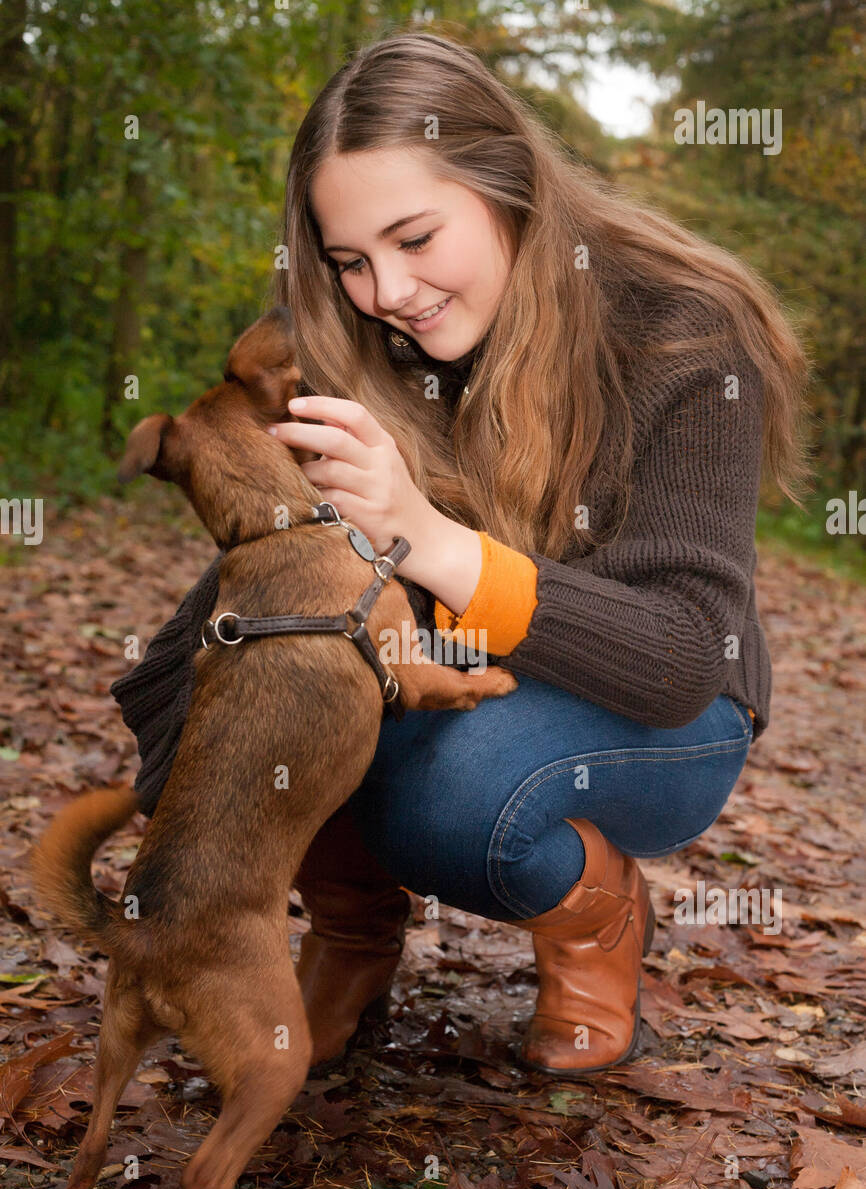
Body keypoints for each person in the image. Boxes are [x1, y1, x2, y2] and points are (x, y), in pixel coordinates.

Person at [111, 31, 809, 1080]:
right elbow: (253, 609)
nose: (386, 289)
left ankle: (596, 915)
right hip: (466, 656)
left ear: (507, 185)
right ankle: (351, 932)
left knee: (449, 799)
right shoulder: (359, 345)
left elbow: (678, 655)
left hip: (663, 706)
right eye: (349, 260)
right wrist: (192, 782)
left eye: (414, 237)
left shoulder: (682, 335)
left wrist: (427, 538)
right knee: (281, 687)